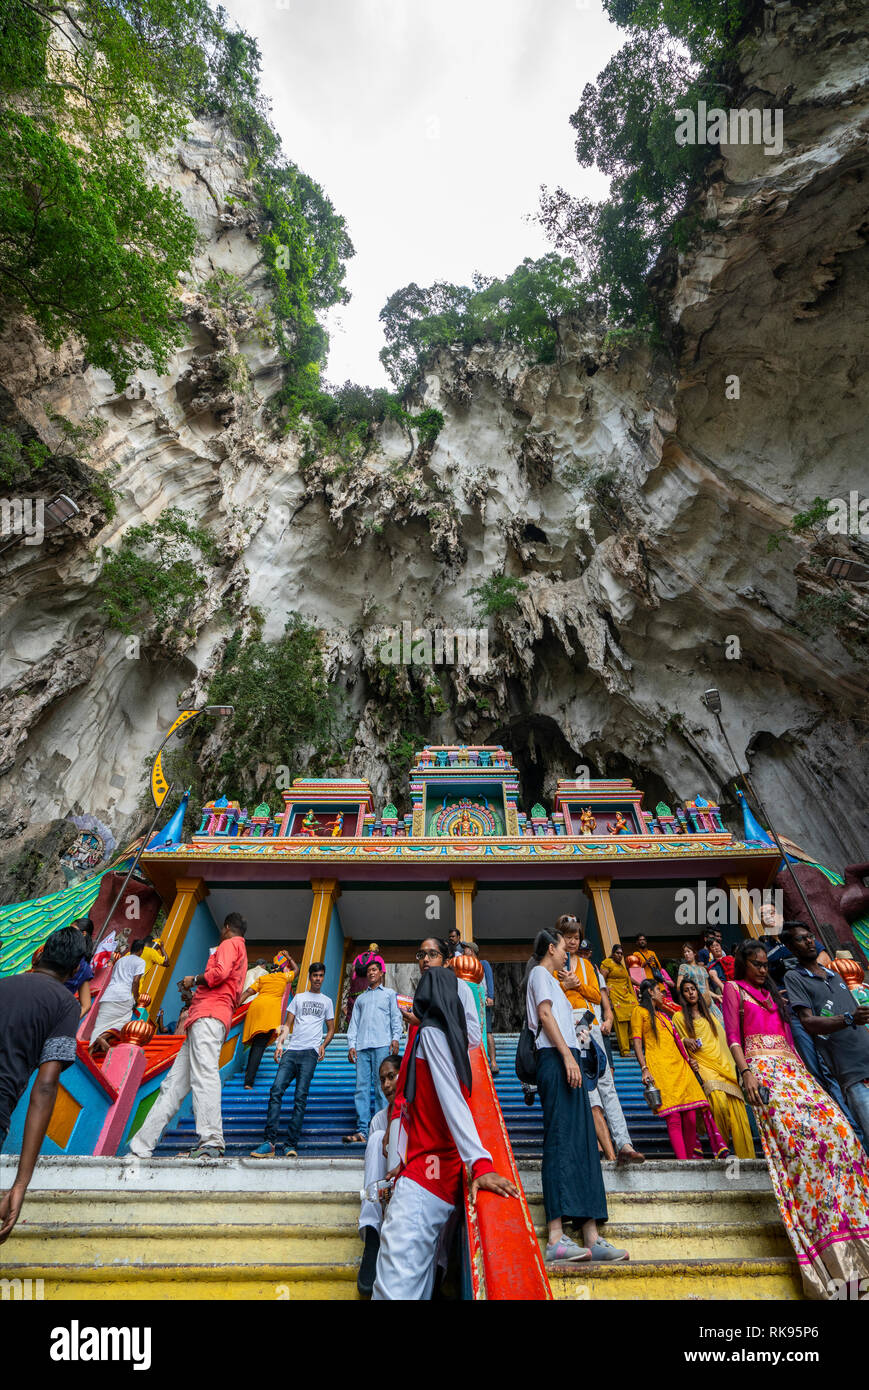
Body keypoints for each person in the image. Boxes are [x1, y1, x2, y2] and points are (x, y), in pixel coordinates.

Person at [372, 937, 519, 1299]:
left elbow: (453, 1103)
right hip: (427, 1174)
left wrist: (481, 1165)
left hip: (425, 1179)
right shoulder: (440, 1040)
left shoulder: (432, 1035)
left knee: (394, 1284)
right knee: (414, 1284)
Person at [724, 939, 869, 1299]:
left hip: (795, 1071)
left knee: (842, 1135)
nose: (762, 969)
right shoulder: (733, 989)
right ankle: (825, 1244)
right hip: (762, 1070)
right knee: (799, 1149)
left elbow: (792, 1037)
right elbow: (732, 1036)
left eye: (764, 964)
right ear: (744, 964)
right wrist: (746, 1073)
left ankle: (857, 1228)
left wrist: (806, 1074)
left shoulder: (776, 996)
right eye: (756, 964)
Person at [527, 927, 629, 1263]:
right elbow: (544, 1015)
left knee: (585, 1142)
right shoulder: (540, 972)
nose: (566, 953)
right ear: (552, 948)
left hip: (569, 1057)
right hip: (555, 1059)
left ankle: (591, 1235)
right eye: (562, 947)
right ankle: (556, 1236)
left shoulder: (554, 980)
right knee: (559, 1139)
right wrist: (568, 1057)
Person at [127, 913, 249, 1161]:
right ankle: (141, 1146)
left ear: (227, 928)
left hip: (209, 1016)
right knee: (172, 1085)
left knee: (205, 1074)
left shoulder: (230, 944)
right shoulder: (240, 950)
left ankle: (212, 1140)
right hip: (205, 1015)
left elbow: (219, 973)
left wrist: (193, 979)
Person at [0, 927, 85, 1243]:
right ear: (75, 970)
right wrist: (20, 1183)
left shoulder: (3, 984)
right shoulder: (66, 1005)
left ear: (40, 953)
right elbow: (46, 1086)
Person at [559, 924, 645, 1165]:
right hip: (572, 1023)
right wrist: (564, 985)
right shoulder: (554, 965)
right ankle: (605, 1148)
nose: (573, 942)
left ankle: (624, 1144)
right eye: (568, 937)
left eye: (576, 938)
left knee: (606, 1083)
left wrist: (576, 985)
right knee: (591, 1087)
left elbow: (597, 996)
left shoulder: (587, 966)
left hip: (587, 1023)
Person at [782, 923, 869, 1147]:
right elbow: (808, 1022)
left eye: (810, 936)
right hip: (852, 1073)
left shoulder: (835, 975)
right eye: (801, 939)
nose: (809, 941)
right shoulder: (795, 977)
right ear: (791, 948)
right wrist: (849, 1019)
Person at [251, 962, 335, 1158]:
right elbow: (287, 1025)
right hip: (292, 1051)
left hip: (310, 1054)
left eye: (321, 975)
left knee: (300, 1098)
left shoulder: (327, 1001)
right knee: (276, 1091)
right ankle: (269, 1142)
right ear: (309, 976)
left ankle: (290, 1144)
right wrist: (280, 1045)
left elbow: (330, 1029)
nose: (318, 979)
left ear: (323, 977)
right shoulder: (298, 998)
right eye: (315, 975)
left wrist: (323, 1046)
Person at [631, 979, 717, 1160]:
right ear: (650, 993)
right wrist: (644, 1068)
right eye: (659, 990)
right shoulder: (639, 1012)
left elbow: (677, 1042)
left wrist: (689, 1060)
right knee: (674, 1117)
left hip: (681, 1067)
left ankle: (690, 1160)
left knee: (691, 1116)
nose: (663, 994)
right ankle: (682, 1162)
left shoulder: (664, 1016)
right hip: (660, 1067)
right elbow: (637, 1041)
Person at [674, 978, 754, 1158]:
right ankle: (722, 1149)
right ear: (682, 995)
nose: (691, 993)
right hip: (702, 1065)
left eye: (693, 989)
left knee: (738, 1112)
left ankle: (746, 1157)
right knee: (718, 1103)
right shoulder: (678, 1018)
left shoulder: (711, 1017)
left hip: (723, 1066)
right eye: (686, 990)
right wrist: (685, 1041)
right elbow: (676, 1042)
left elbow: (724, 1042)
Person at [357, 1054, 401, 1297]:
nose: (386, 1085)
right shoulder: (378, 1119)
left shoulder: (419, 1109)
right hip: (384, 1196)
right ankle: (372, 1233)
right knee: (375, 1138)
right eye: (382, 1079)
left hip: (411, 1190)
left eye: (391, 1077)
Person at [345, 956, 401, 1143]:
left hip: (382, 1044)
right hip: (362, 1046)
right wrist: (351, 1044)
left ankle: (383, 1129)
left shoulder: (390, 994)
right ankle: (362, 1129)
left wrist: (395, 1038)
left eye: (375, 970)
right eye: (369, 971)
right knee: (361, 1088)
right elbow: (354, 1023)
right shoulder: (361, 998)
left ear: (382, 972)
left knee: (381, 1087)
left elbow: (395, 1018)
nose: (371, 973)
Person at [239, 953, 297, 1089]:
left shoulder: (264, 978)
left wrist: (235, 1007)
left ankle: (249, 1072)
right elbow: (296, 970)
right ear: (282, 969)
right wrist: (289, 957)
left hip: (256, 1008)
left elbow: (248, 992)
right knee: (259, 1044)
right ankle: (249, 1081)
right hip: (269, 1012)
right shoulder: (284, 977)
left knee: (256, 1043)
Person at [90, 937, 147, 1054]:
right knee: (124, 1021)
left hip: (108, 995)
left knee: (99, 1025)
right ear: (141, 950)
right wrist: (136, 997)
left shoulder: (120, 960)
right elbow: (136, 981)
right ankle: (103, 1038)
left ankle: (93, 1048)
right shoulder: (140, 962)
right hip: (124, 996)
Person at [600, 943, 637, 1056]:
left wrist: (642, 984)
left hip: (626, 996)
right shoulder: (607, 963)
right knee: (621, 1023)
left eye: (621, 953)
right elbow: (602, 980)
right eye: (617, 953)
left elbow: (628, 979)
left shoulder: (622, 966)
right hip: (614, 996)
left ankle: (632, 1043)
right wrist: (606, 999)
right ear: (613, 953)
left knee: (635, 1014)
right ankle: (625, 1050)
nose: (620, 955)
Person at [677, 943, 722, 1022]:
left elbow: (706, 989)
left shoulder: (703, 969)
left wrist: (716, 996)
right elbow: (678, 987)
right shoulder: (683, 967)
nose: (686, 954)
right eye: (685, 952)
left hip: (708, 1001)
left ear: (694, 953)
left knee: (719, 1022)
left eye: (688, 951)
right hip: (695, 1002)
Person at [346, 942, 381, 1025]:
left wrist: (352, 982)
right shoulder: (378, 958)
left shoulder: (359, 957)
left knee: (353, 1011)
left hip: (355, 989)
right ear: (377, 950)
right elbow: (382, 974)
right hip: (367, 987)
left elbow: (352, 970)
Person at [479, 950, 498, 1074]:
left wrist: (490, 996)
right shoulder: (464, 965)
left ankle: (493, 1062)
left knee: (488, 1031)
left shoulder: (483, 964)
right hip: (473, 1001)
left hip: (484, 1001)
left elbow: (489, 979)